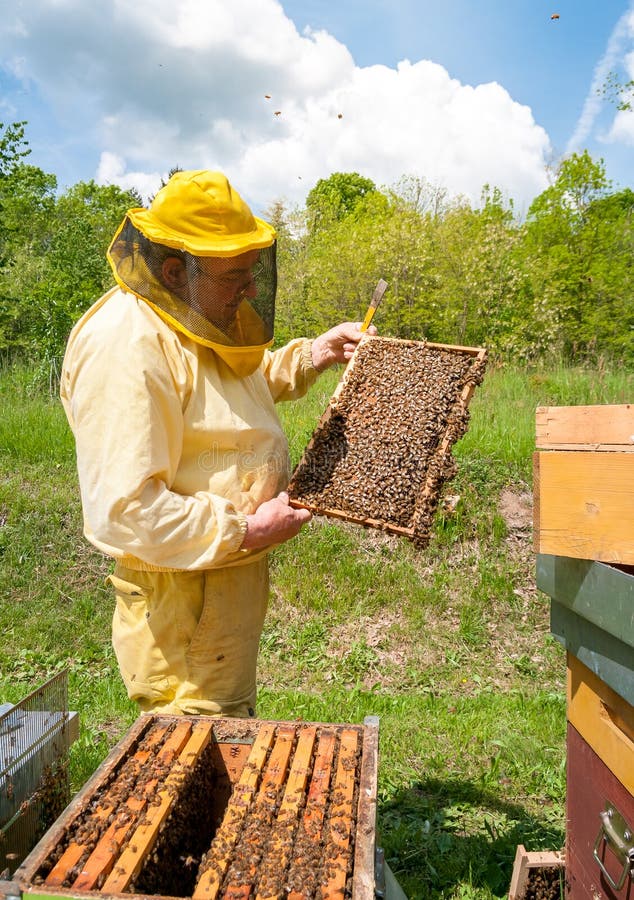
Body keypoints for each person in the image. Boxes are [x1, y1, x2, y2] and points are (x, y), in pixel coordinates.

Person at [60, 169, 373, 718]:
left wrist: (316, 353)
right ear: (178, 271)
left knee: (227, 723)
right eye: (237, 276)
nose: (252, 288)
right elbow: (126, 510)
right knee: (191, 743)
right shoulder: (126, 347)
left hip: (223, 571)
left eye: (255, 272)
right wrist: (246, 529)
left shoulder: (194, 314)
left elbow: (234, 388)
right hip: (181, 596)